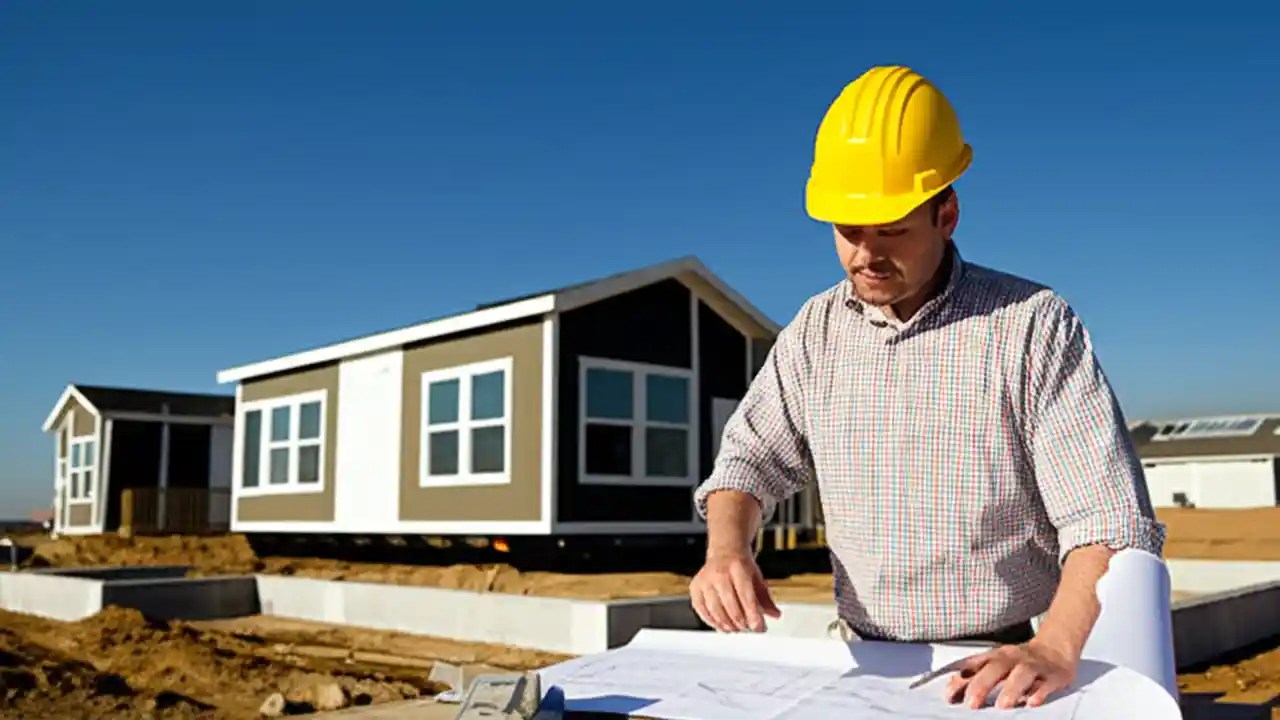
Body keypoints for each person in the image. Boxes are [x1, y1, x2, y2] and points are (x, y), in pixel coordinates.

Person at [689, 65, 1165, 711]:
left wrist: (1054, 647)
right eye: (848, 231)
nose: (865, 255)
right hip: (864, 655)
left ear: (947, 213)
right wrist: (727, 550)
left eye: (891, 230)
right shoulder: (814, 331)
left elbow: (1106, 519)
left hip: (1004, 659)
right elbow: (750, 458)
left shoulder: (1028, 323)